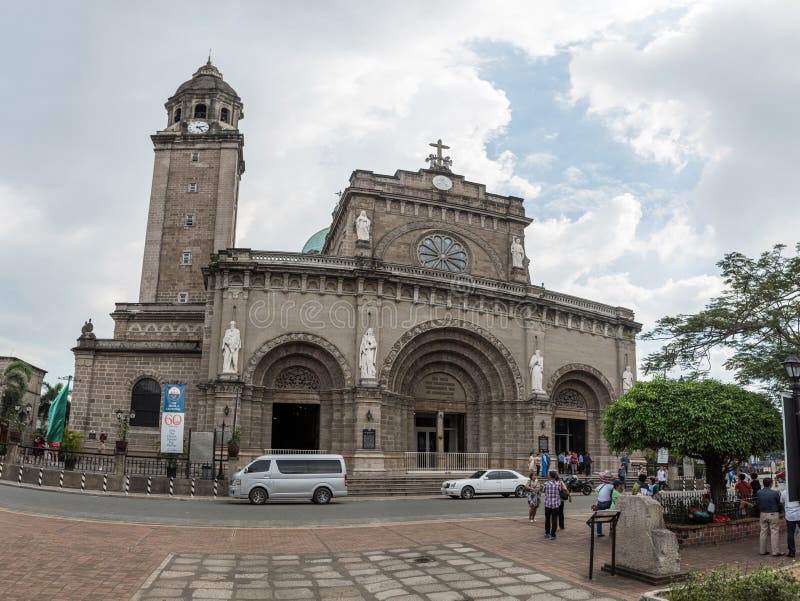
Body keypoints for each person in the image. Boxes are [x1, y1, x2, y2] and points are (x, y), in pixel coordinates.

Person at [757, 477, 783, 556]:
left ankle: (762, 551)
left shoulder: (759, 492)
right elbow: (779, 502)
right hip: (773, 513)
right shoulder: (775, 493)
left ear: (763, 484)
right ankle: (775, 551)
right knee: (774, 532)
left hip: (763, 514)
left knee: (763, 532)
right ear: (771, 484)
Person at [543, 470, 567, 540]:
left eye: (548, 474)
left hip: (548, 504)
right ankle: (553, 534)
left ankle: (547, 533)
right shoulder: (558, 484)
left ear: (550, 476)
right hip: (556, 504)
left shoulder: (546, 484)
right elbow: (560, 491)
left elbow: (543, 491)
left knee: (547, 519)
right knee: (554, 519)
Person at [780, 486, 800, 558]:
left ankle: (792, 552)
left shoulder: (784, 492)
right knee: (790, 533)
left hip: (790, 515)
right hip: (799, 513)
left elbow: (782, 502)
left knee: (790, 533)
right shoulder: (797, 491)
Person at [594, 471, 615, 537]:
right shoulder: (610, 486)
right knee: (613, 515)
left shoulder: (601, 485)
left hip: (599, 503)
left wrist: (600, 494)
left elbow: (596, 490)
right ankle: (612, 529)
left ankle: (599, 532)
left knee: (599, 518)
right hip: (607, 503)